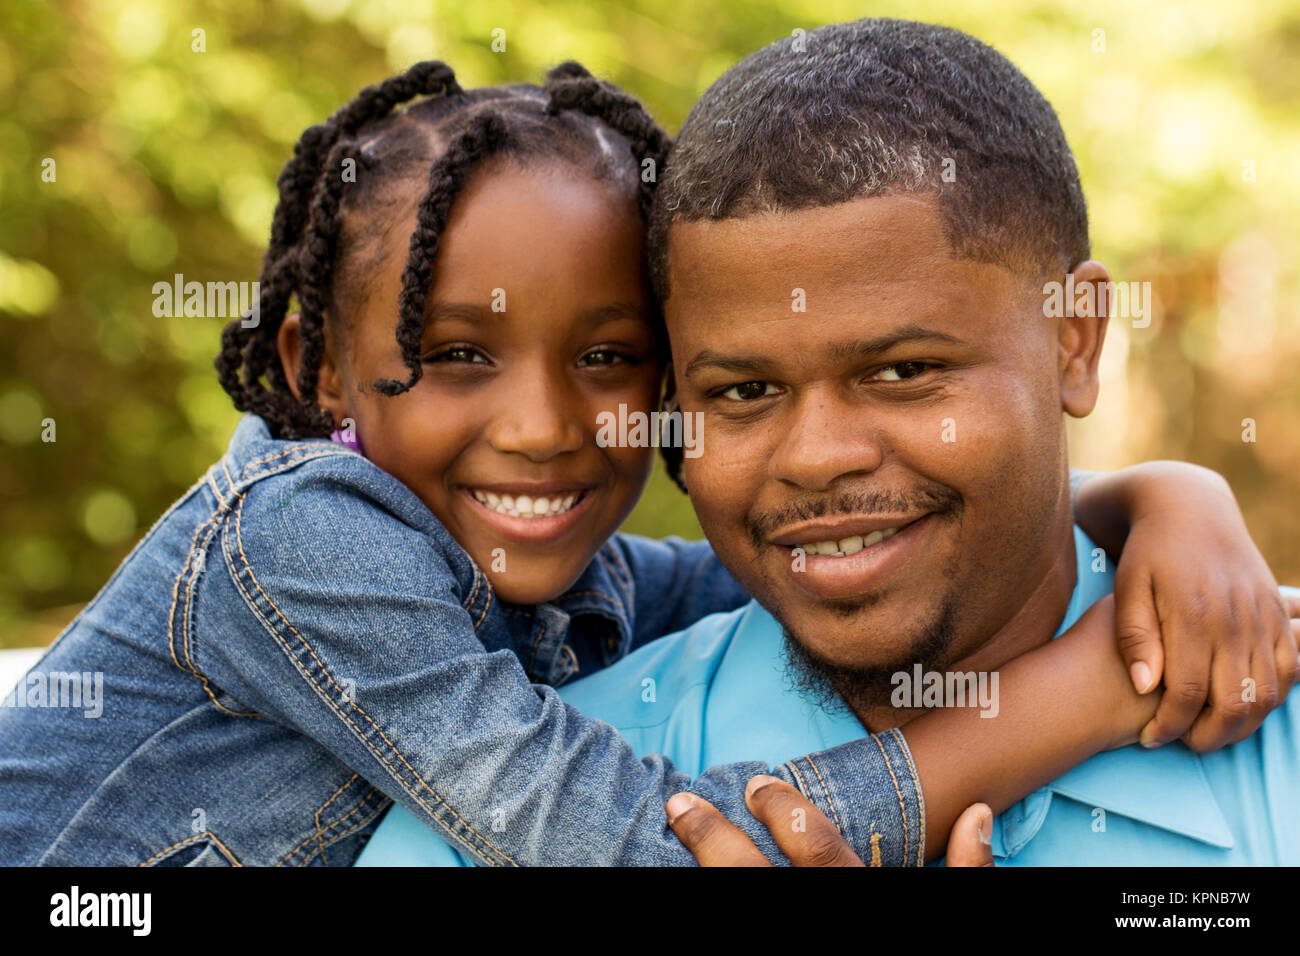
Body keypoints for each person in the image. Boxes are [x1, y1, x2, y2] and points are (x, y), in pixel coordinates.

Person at [0, 55, 1286, 869]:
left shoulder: (590, 592)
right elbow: (639, 849)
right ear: (318, 368)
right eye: (455, 355)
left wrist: (1165, 496)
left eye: (609, 357)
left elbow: (840, 539)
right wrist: (1091, 692)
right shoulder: (299, 538)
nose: (548, 424)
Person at [356, 20, 1299, 867]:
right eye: (747, 391)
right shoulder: (491, 830)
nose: (815, 458)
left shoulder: (1273, 719)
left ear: (1075, 340)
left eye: (901, 373)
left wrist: (1169, 494)